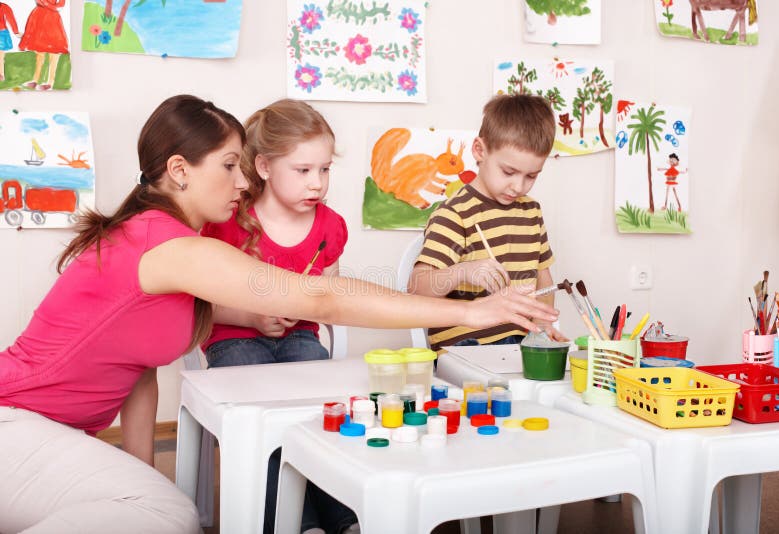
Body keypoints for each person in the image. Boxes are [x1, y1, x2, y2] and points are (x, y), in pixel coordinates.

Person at [0, 94, 559, 533]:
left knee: (155, 503)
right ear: (179, 170)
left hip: (48, 434)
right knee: (167, 517)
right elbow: (321, 298)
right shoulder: (170, 247)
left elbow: (137, 366)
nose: (244, 181)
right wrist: (475, 311)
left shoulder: (161, 240)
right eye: (229, 165)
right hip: (17, 424)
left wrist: (141, 467)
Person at [201, 99, 355, 534]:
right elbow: (201, 301)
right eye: (303, 170)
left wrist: (303, 306)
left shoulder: (329, 225)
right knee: (263, 412)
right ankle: (297, 522)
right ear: (265, 166)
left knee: (322, 412)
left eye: (324, 170)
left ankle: (344, 518)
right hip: (234, 338)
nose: (317, 183)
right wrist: (252, 317)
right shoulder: (229, 219)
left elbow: (330, 296)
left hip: (299, 338)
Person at [409, 94, 565, 352]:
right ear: (479, 151)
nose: (518, 186)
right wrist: (463, 271)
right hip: (465, 345)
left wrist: (542, 325)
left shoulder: (531, 213)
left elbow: (543, 281)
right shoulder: (455, 214)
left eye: (531, 176)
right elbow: (417, 289)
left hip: (518, 344)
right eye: (508, 172)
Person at [18, 0, 68, 91]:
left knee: (54, 52)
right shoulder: (38, 11)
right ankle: (35, 80)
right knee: (39, 53)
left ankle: (50, 82)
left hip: (53, 20)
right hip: (40, 17)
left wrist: (48, 5)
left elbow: (61, 5)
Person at [0, 1, 20, 82]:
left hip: (1, 32)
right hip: (2, 32)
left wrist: (16, 32)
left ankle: (1, 74)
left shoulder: (4, 6)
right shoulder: (4, 6)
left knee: (1, 55)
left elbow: (11, 19)